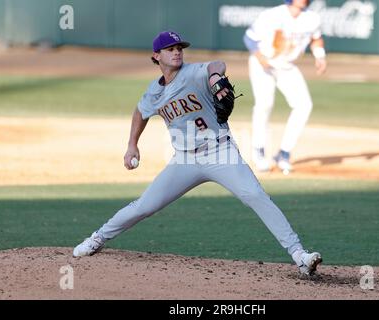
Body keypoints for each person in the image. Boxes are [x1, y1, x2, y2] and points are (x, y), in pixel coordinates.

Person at [73, 30, 322, 275]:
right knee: (144, 206)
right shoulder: (154, 91)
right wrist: (132, 144)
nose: (177, 52)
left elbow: (217, 64)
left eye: (180, 48)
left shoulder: (193, 73)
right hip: (185, 159)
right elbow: (140, 112)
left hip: (220, 152)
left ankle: (299, 256)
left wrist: (214, 78)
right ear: (156, 55)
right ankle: (97, 238)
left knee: (256, 196)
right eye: (170, 49)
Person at [244, 0, 327, 173]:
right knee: (264, 104)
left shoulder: (312, 18)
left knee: (304, 105)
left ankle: (283, 153)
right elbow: (250, 38)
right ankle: (259, 150)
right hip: (263, 63)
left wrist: (320, 56)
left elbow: (316, 39)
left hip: (286, 66)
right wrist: (260, 59)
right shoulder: (272, 15)